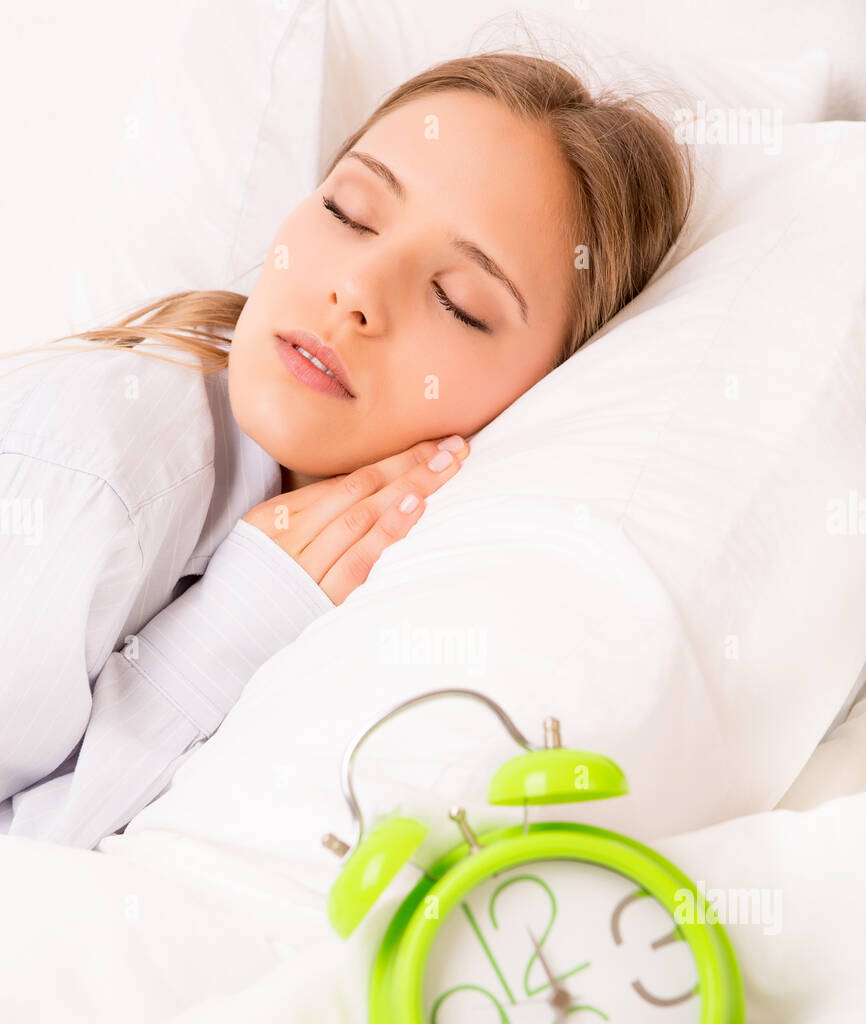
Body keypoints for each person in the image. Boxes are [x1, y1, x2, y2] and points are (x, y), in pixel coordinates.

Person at [0, 49, 693, 849]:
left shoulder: (419, 575)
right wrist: (207, 651)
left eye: (456, 302)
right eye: (351, 213)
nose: (358, 289)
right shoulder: (99, 474)